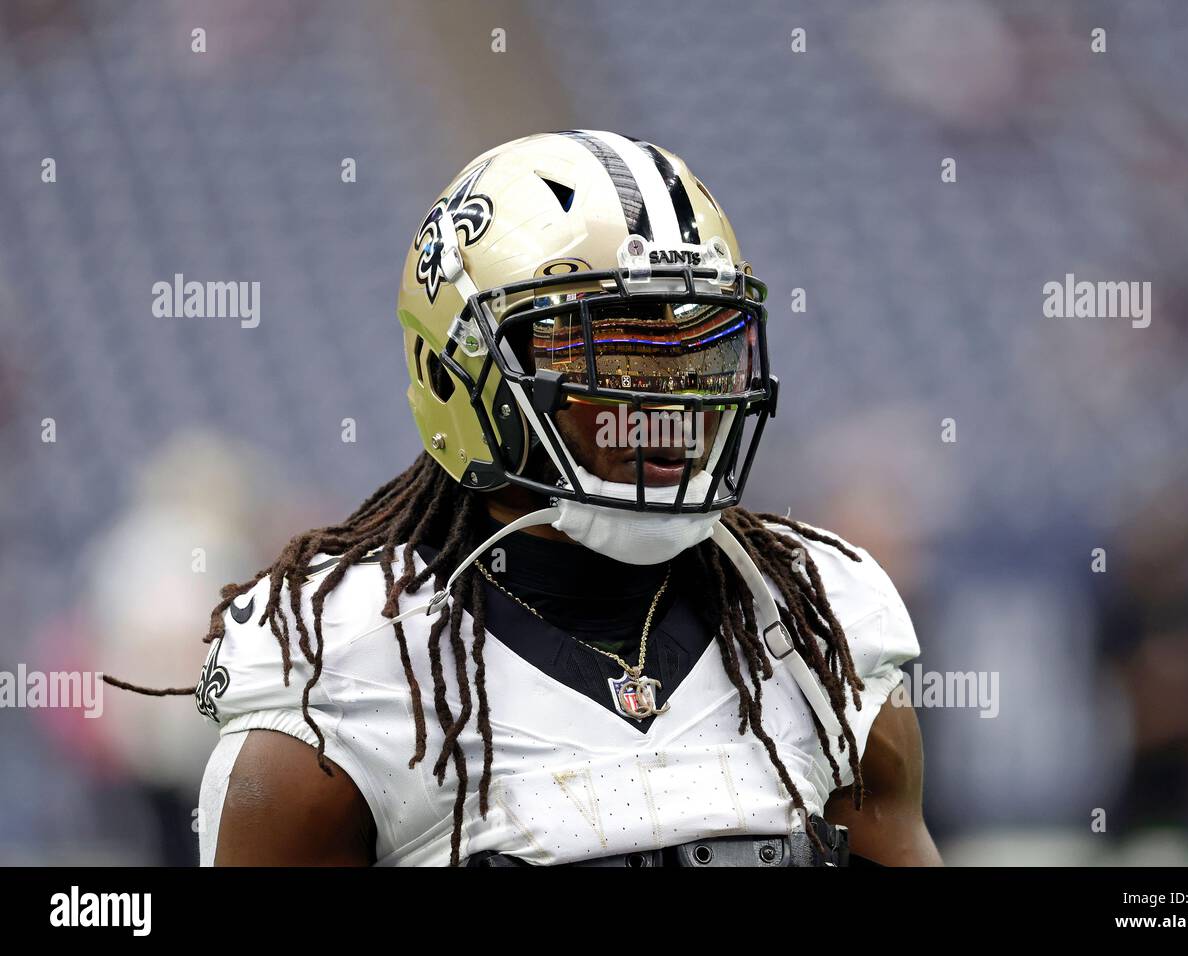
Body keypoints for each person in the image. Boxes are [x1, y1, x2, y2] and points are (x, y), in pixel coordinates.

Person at [190, 131, 940, 866]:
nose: (670, 401)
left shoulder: (813, 616)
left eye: (702, 353)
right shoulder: (341, 662)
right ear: (459, 374)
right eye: (613, 354)